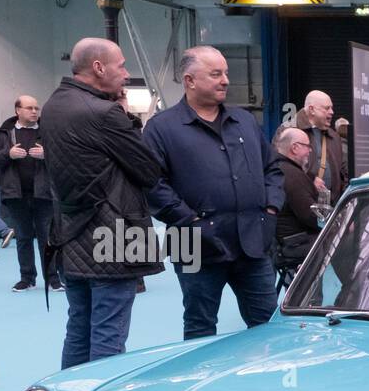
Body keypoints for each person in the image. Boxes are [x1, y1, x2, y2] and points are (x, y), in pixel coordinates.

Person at [144, 45, 284, 340]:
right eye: (216, 74)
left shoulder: (244, 121)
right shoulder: (160, 128)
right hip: (192, 243)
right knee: (199, 326)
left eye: (226, 73)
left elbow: (273, 169)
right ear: (189, 80)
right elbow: (152, 185)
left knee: (268, 325)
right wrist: (191, 222)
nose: (225, 80)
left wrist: (271, 210)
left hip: (252, 241)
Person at [40, 37, 165, 368]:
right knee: (109, 335)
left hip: (70, 234)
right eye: (121, 65)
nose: (126, 74)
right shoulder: (105, 113)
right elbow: (149, 169)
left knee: (79, 330)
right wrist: (126, 119)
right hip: (113, 238)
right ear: (98, 67)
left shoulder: (53, 105)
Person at [0, 96, 59, 292]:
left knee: (48, 239)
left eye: (37, 108)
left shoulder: (48, 131)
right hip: (15, 195)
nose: (35, 111)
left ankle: (53, 279)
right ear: (18, 110)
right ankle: (27, 278)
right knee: (24, 238)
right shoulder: (3, 134)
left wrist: (47, 155)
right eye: (29, 108)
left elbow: (65, 155)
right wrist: (7, 154)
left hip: (44, 194)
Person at [272, 126, 322, 291]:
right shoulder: (292, 175)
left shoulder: (276, 169)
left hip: (283, 244)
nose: (309, 151)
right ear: (294, 148)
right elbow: (310, 215)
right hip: (296, 245)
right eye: (307, 146)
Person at [295, 90, 348, 201]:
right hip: (301, 206)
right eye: (327, 108)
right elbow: (282, 168)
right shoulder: (289, 132)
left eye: (332, 108)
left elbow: (343, 172)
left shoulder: (334, 137)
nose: (332, 112)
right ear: (311, 109)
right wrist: (310, 180)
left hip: (331, 208)